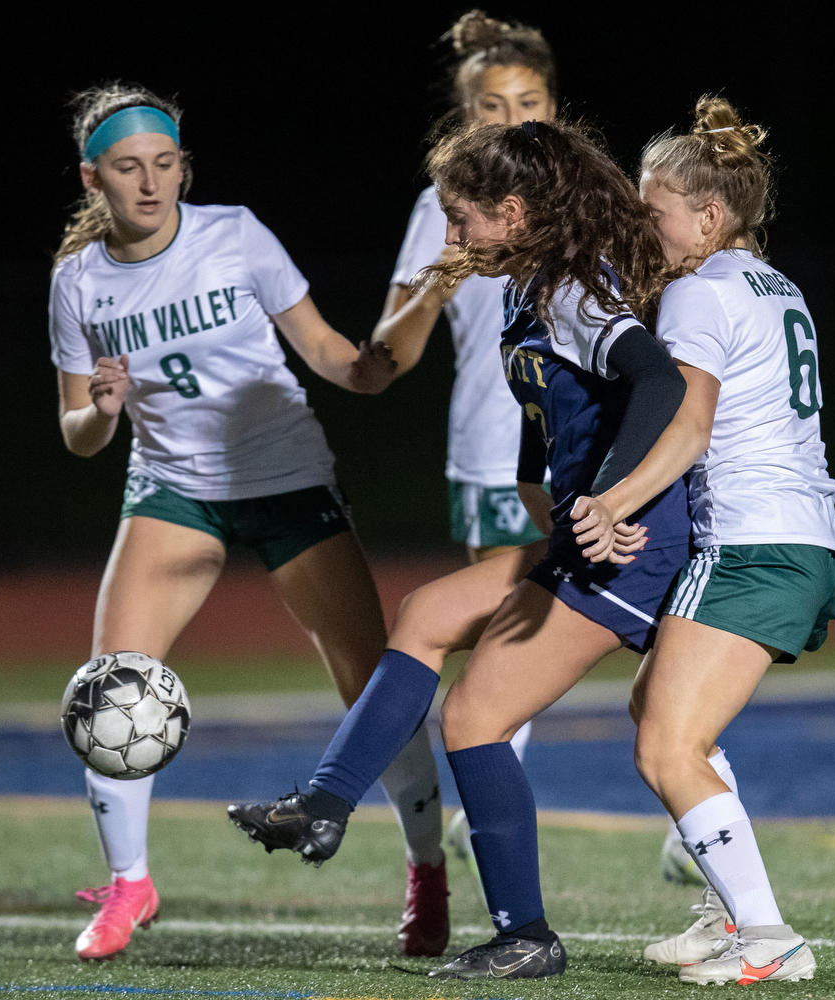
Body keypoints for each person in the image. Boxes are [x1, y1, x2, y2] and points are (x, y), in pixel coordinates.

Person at [229, 118, 693, 980]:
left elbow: (658, 380)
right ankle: (325, 804)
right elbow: (546, 409)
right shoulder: (527, 289)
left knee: (476, 717)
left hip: (635, 541)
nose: (449, 236)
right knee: (426, 612)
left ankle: (527, 934)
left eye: (459, 218)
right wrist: (544, 487)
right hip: (588, 531)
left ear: (513, 213)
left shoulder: (570, 287)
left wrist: (607, 497)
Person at [48, 83, 449, 961]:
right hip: (173, 490)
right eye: (129, 167)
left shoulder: (233, 234)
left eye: (165, 163)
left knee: (371, 691)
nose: (151, 183)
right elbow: (78, 432)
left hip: (287, 479)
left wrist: (375, 364)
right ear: (92, 178)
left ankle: (428, 870)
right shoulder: (77, 282)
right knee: (112, 684)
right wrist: (102, 411)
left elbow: (327, 351)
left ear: (182, 166)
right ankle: (129, 885)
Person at [616, 96, 835, 985]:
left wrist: (616, 501)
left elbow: (690, 429)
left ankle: (768, 937)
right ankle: (730, 914)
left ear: (710, 216)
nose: (645, 229)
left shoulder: (698, 290)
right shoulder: (775, 284)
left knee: (665, 747)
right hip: (800, 536)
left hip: (756, 542)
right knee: (655, 710)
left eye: (654, 212)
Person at [372, 8, 557, 870]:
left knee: (652, 614)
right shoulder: (442, 207)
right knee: (512, 636)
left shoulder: (592, 192)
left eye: (529, 101)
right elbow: (394, 346)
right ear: (465, 115)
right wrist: (433, 287)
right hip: (497, 450)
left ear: (554, 106)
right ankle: (491, 813)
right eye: (492, 105)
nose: (513, 119)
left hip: (598, 450)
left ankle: (697, 790)